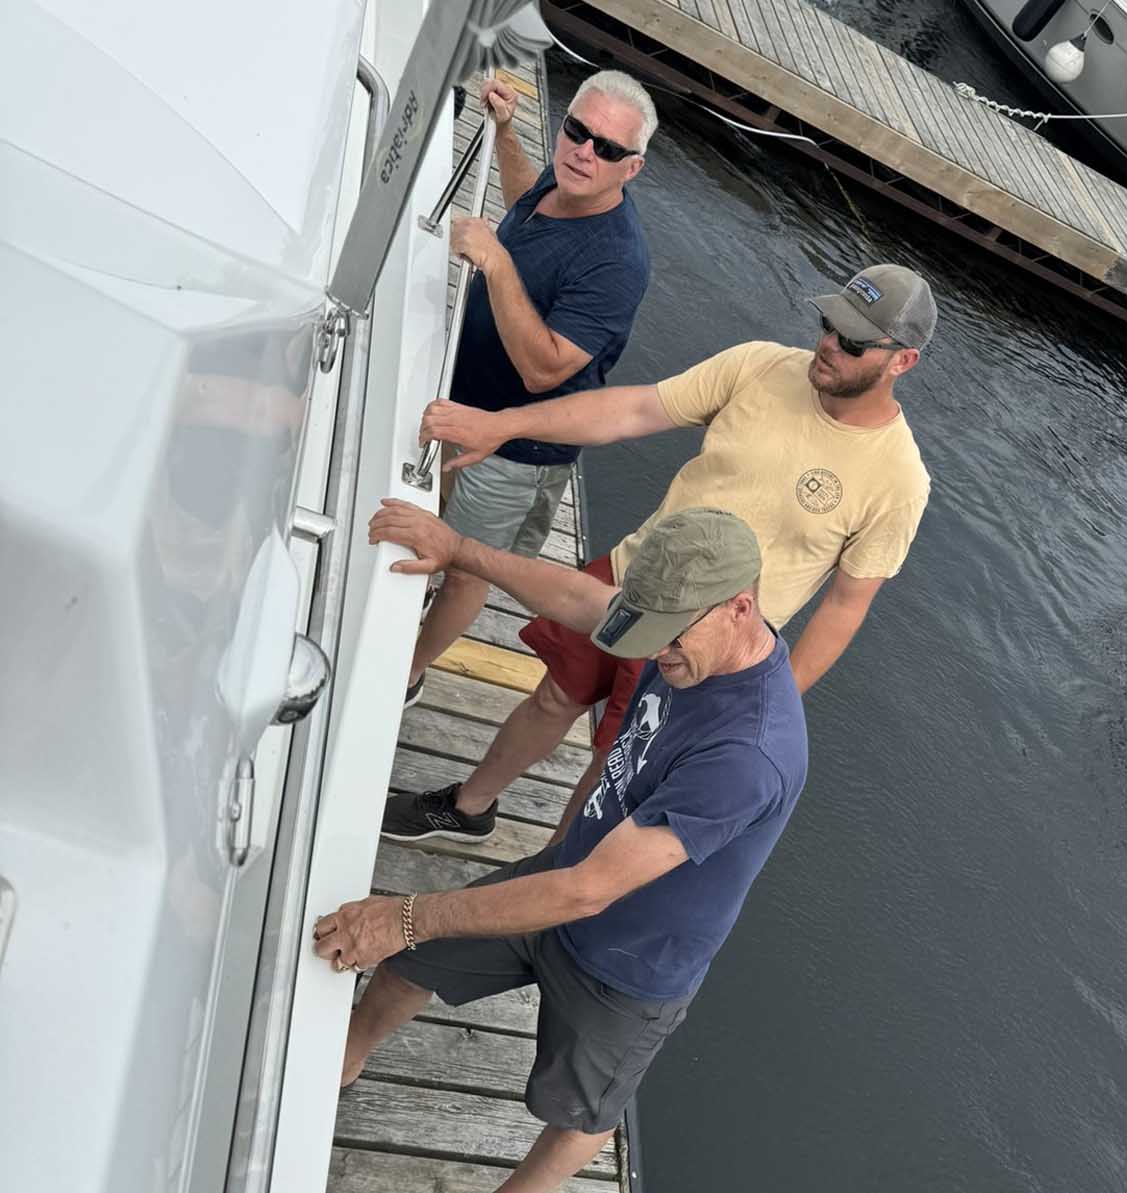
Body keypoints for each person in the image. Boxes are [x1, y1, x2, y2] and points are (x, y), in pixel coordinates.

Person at [318, 502, 805, 1193]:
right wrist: (459, 546)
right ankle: (345, 1055)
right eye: (653, 628)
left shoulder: (749, 753)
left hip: (627, 967)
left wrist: (403, 914)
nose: (658, 653)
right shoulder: (690, 631)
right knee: (413, 959)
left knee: (576, 1118)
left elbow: (590, 892)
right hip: (566, 869)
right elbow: (583, 600)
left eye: (673, 636)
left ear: (740, 607)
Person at [383, 263, 935, 846]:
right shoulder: (762, 365)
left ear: (902, 360)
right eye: (827, 323)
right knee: (553, 696)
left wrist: (767, 696)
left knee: (612, 766)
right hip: (632, 578)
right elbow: (635, 410)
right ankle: (470, 806)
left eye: (850, 342)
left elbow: (846, 606)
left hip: (702, 646)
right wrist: (505, 425)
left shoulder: (899, 480)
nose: (827, 345)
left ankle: (547, 875)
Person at [405, 69, 656, 706]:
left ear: (632, 168)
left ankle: (405, 672)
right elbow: (523, 205)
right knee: (430, 515)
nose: (583, 151)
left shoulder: (618, 263)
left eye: (607, 149)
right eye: (577, 131)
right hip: (462, 402)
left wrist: (494, 259)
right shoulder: (564, 179)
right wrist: (507, 131)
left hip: (519, 450)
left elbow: (544, 369)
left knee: (466, 568)